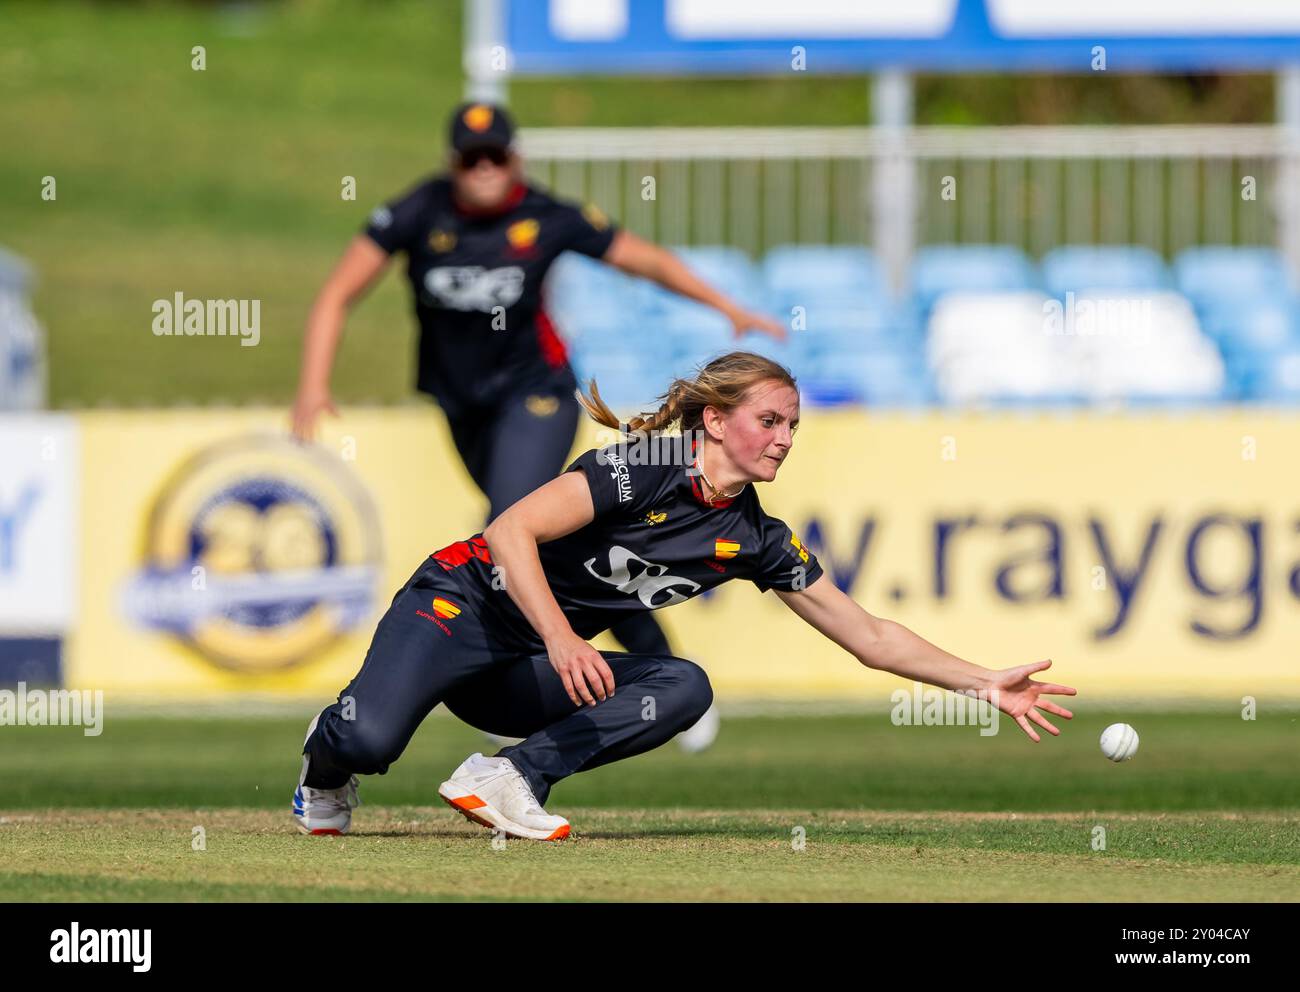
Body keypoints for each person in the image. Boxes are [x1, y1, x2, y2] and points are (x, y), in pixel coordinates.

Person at [292, 351, 1077, 840]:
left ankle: (512, 777)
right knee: (367, 743)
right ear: (715, 420)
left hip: (525, 672)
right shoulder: (644, 463)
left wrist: (984, 683)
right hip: (459, 604)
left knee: (684, 685)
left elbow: (868, 635)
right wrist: (567, 639)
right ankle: (323, 766)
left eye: (793, 426)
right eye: (769, 420)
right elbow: (509, 532)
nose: (784, 439)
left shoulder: (756, 537)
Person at [290, 101, 783, 671]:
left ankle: (517, 670)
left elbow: (640, 260)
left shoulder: (547, 215)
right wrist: (312, 384)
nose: (484, 170)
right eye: (471, 159)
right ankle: (658, 665)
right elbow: (336, 295)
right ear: (452, 163)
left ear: (516, 159)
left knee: (510, 522)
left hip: (537, 393)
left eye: (495, 157)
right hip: (462, 402)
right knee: (560, 542)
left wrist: (725, 305)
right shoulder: (417, 212)